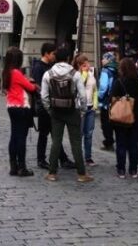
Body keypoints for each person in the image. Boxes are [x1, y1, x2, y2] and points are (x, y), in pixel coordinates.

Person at [41, 46, 93, 183]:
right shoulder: (75, 74)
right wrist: (82, 111)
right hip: (72, 111)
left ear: (56, 58)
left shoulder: (48, 74)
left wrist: (49, 110)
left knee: (56, 141)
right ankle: (81, 174)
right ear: (69, 58)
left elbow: (44, 96)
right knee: (76, 142)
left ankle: (52, 173)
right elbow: (83, 96)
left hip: (56, 111)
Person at [31, 43, 75, 170]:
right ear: (46, 53)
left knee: (55, 133)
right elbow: (38, 87)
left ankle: (62, 159)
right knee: (44, 134)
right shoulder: (39, 67)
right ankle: (42, 159)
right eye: (53, 53)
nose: (55, 56)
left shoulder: (50, 66)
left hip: (53, 104)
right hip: (44, 106)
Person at [2, 46, 37, 177]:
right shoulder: (16, 72)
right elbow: (30, 88)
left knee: (14, 136)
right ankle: (22, 167)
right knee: (21, 137)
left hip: (11, 106)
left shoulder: (6, 72)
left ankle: (13, 166)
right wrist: (34, 84)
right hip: (21, 107)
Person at [111, 57, 138, 178]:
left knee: (121, 143)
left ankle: (121, 169)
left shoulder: (118, 82)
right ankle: (133, 170)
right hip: (135, 116)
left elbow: (112, 97)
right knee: (133, 144)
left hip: (120, 117)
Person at [74, 53, 98, 167]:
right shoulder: (77, 75)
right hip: (80, 108)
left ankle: (88, 157)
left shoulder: (91, 74)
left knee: (89, 134)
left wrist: (95, 103)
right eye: (84, 65)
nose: (87, 66)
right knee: (80, 134)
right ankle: (78, 157)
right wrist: (83, 73)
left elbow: (95, 89)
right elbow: (80, 87)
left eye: (88, 63)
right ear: (79, 66)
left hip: (90, 108)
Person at [98, 52, 118, 151]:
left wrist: (99, 97)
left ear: (109, 60)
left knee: (105, 123)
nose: (102, 60)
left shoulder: (105, 70)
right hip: (115, 101)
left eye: (104, 58)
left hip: (106, 102)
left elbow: (103, 86)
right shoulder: (117, 69)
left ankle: (108, 142)